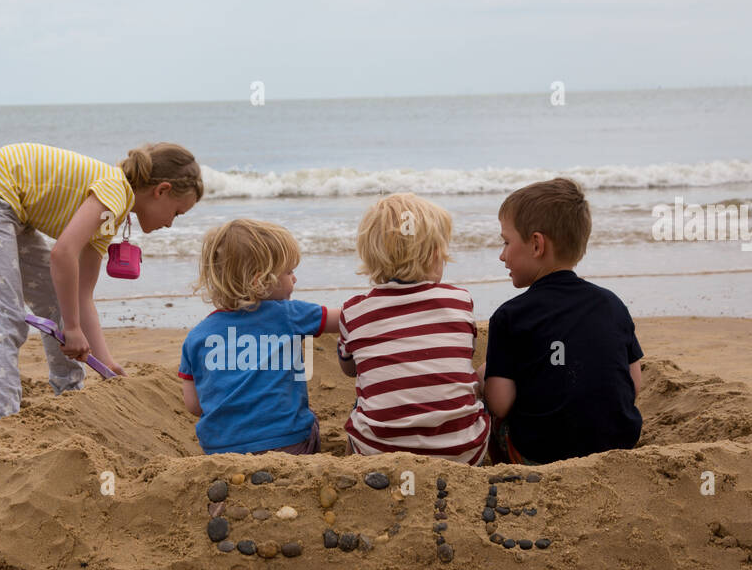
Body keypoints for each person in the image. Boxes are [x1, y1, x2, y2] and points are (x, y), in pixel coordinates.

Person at [0, 141, 203, 422]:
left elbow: (82, 296)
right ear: (162, 190)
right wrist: (71, 327)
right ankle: (3, 422)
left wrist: (106, 363)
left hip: (12, 205)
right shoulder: (115, 191)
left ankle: (69, 398)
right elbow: (63, 253)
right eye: (176, 213)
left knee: (60, 302)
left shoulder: (111, 216)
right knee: (4, 320)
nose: (170, 223)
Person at [478, 177, 643, 464]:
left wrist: (484, 379)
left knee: (485, 381)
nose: (502, 255)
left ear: (537, 244)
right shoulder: (612, 304)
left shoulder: (510, 316)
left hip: (540, 454)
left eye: (506, 242)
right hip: (618, 447)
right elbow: (634, 385)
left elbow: (501, 405)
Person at [337, 193, 491, 465]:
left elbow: (349, 369)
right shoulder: (460, 300)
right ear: (435, 253)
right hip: (464, 454)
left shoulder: (353, 311)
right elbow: (465, 352)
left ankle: (352, 468)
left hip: (379, 455)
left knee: (364, 392)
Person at [178, 219, 340, 454]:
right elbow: (345, 319)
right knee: (310, 420)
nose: (294, 279)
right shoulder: (289, 314)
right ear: (260, 280)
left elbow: (194, 405)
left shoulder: (196, 337)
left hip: (220, 450)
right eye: (289, 272)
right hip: (288, 443)